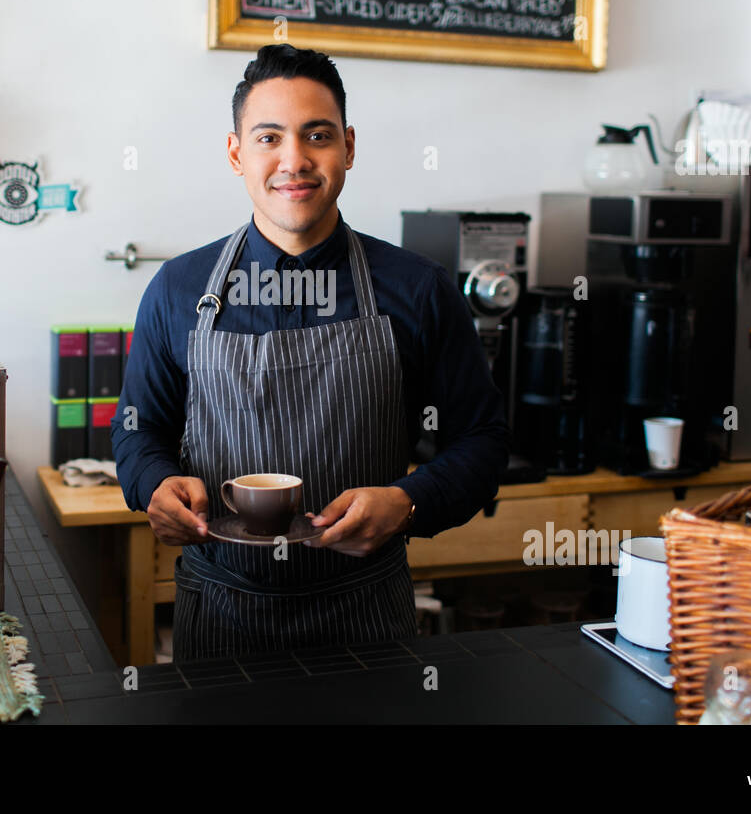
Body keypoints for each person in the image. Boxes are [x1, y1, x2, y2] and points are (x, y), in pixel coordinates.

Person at [112, 43, 508, 661]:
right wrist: (154, 485)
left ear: (349, 146)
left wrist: (409, 502)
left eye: (316, 135)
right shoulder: (178, 289)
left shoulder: (419, 287)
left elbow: (484, 440)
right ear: (236, 153)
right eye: (268, 137)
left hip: (367, 616)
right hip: (221, 614)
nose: (293, 160)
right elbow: (139, 431)